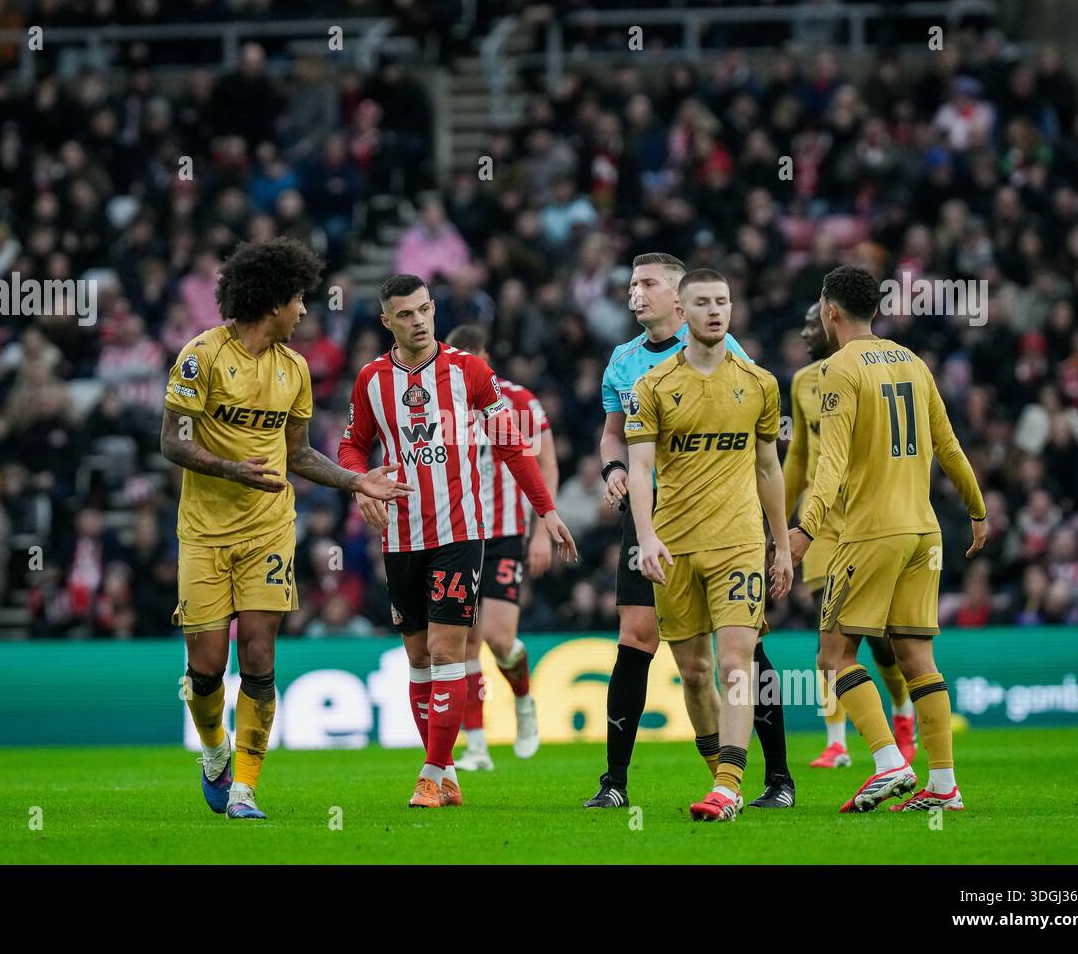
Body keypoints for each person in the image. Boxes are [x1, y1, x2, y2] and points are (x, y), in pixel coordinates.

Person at [160, 238, 412, 820]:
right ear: (272, 300)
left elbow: (297, 455)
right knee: (203, 664)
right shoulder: (201, 356)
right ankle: (215, 749)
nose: (305, 311)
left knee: (258, 652)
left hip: (270, 529)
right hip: (203, 530)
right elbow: (170, 440)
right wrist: (228, 468)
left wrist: (357, 482)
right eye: (298, 300)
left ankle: (245, 788)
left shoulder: (294, 369)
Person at [338, 274, 577, 809]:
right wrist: (359, 482)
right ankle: (446, 773)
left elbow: (513, 448)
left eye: (425, 309)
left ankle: (429, 774)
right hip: (401, 536)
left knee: (451, 651)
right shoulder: (371, 380)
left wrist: (547, 512)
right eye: (406, 314)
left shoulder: (470, 370)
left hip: (460, 535)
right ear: (387, 322)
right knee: (419, 659)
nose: (419, 320)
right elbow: (352, 444)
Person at [586, 252, 794, 810]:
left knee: (740, 653)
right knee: (649, 645)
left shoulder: (736, 363)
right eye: (631, 284)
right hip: (653, 521)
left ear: (677, 298)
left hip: (729, 526)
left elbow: (763, 448)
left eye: (647, 284)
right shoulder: (625, 363)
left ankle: (774, 775)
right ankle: (618, 782)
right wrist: (615, 473)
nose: (635, 293)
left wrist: (780, 535)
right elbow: (615, 438)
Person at [788, 266, 986, 813]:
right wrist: (976, 509)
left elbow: (827, 462)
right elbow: (948, 444)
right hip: (925, 531)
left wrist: (805, 527)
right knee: (916, 658)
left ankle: (888, 763)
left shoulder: (838, 369)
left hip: (872, 532)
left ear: (831, 311)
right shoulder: (912, 361)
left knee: (833, 656)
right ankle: (943, 784)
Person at [785, 303, 916, 768]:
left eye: (810, 322)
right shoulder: (802, 384)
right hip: (820, 523)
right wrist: (781, 525)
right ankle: (837, 740)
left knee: (879, 638)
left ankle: (902, 711)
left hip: (867, 517)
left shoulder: (871, 371)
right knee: (829, 627)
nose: (805, 331)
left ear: (833, 320)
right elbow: (799, 458)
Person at [444, 323, 559, 769]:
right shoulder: (442, 403)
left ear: (486, 357)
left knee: (497, 638)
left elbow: (546, 464)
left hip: (508, 532)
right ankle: (476, 747)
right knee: (465, 643)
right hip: (460, 534)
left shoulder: (520, 401)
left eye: (475, 356)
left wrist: (542, 530)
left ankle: (524, 702)